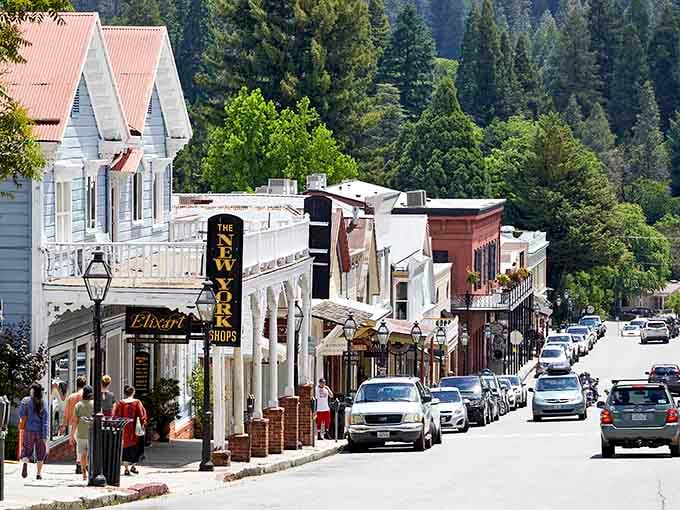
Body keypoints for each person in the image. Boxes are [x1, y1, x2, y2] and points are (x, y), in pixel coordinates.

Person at [113, 385, 148, 476]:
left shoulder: (120, 403)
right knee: (136, 447)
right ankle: (133, 466)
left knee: (125, 448)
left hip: (124, 428)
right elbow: (142, 415)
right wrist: (143, 425)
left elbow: (116, 416)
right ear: (133, 392)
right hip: (134, 429)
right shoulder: (137, 402)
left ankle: (126, 469)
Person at [19, 383, 49, 480]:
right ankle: (38, 474)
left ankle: (25, 463)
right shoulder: (43, 402)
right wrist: (45, 436)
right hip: (40, 432)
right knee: (40, 453)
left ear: (32, 391)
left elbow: (21, 415)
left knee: (27, 450)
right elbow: (45, 421)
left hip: (28, 430)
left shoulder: (25, 401)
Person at [62, 376, 86, 474]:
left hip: (74, 424)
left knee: (79, 444)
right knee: (84, 445)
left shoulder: (71, 397)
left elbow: (66, 413)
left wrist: (64, 425)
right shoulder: (87, 396)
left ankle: (79, 464)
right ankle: (81, 464)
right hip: (85, 423)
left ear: (76, 385)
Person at [70, 385, 94, 481]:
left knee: (83, 454)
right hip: (92, 433)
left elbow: (74, 421)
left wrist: (71, 435)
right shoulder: (95, 404)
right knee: (91, 454)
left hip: (81, 433)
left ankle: (84, 472)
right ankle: (90, 470)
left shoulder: (78, 405)